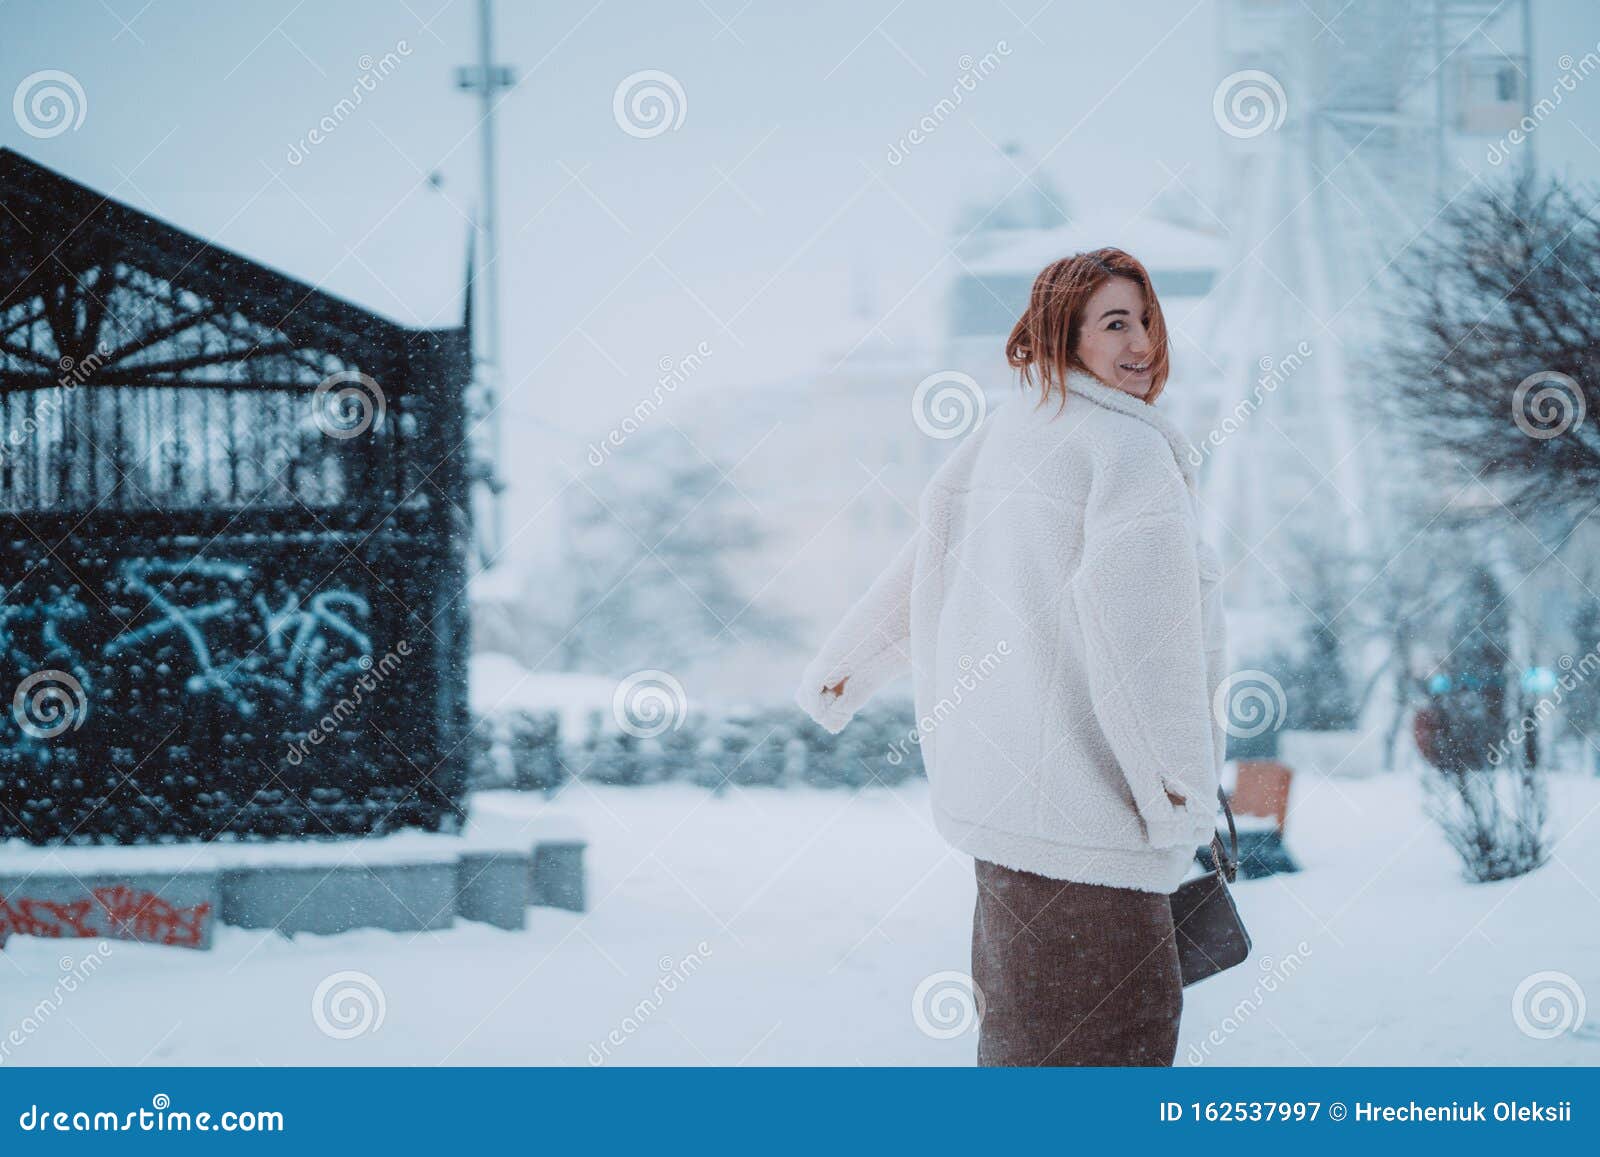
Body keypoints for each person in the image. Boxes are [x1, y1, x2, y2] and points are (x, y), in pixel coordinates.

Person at [795, 248, 1227, 1066]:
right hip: (1098, 828)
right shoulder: (1127, 453)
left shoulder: (1010, 430)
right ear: (1062, 332)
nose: (1140, 341)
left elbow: (928, 563)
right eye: (1113, 322)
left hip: (1003, 824)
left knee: (1025, 1051)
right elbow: (1141, 646)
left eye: (1144, 318)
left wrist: (841, 670)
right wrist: (1177, 796)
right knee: (1111, 1058)